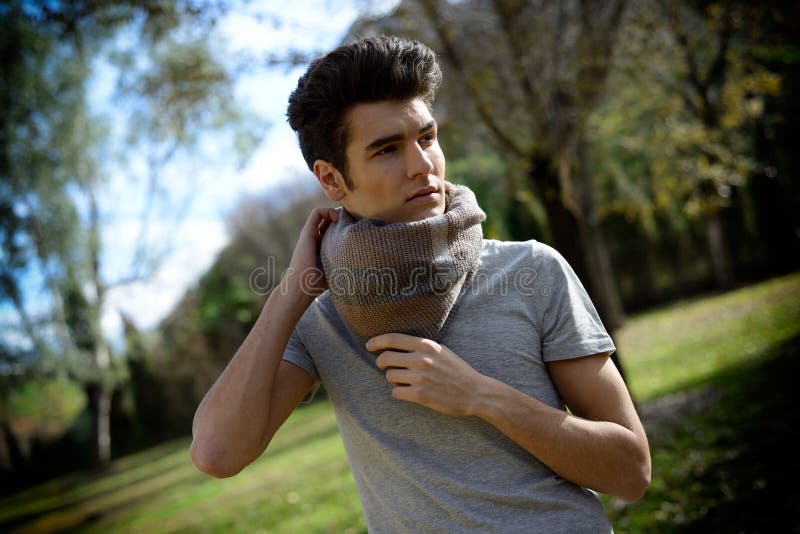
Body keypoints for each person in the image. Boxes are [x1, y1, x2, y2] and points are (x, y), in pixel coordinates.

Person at [190, 35, 650, 533]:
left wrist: (481, 396)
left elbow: (631, 472)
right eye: (387, 150)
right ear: (332, 180)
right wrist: (293, 290)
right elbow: (217, 453)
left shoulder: (532, 271)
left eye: (426, 138)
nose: (422, 166)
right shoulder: (320, 318)